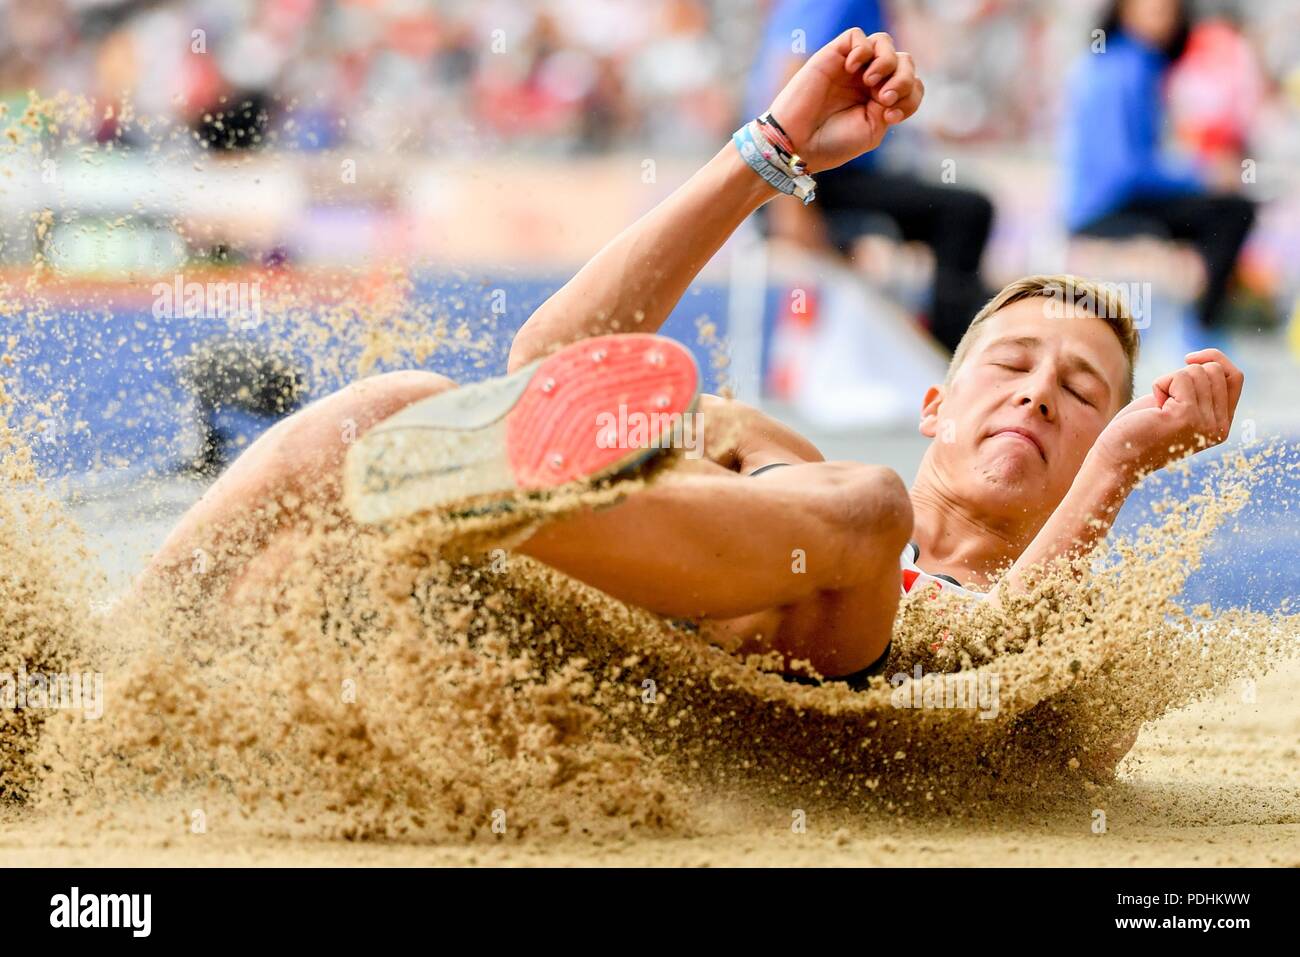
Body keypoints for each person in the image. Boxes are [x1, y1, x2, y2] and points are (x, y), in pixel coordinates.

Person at [138, 30, 1243, 713]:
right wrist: (773, 150)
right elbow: (549, 363)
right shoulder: (775, 455)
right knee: (392, 408)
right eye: (1009, 364)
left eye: (1082, 394)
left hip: (816, 667)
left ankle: (510, 495)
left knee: (866, 507)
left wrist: (1124, 459)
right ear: (933, 404)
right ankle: (110, 658)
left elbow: (1002, 647)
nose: (1038, 392)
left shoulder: (1067, 618)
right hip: (593, 607)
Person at [746, 0, 994, 352]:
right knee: (966, 212)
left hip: (827, 171)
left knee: (957, 210)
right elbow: (785, 80)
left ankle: (943, 338)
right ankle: (949, 352)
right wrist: (788, 203)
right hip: (809, 178)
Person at [1061, 0, 1256, 329]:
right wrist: (1201, 173)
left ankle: (1198, 318)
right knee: (1234, 211)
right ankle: (1204, 327)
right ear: (1124, 11)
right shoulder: (1129, 67)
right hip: (1108, 206)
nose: (1166, 21)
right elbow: (1125, 169)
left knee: (1219, 212)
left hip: (1099, 203)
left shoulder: (1119, 61)